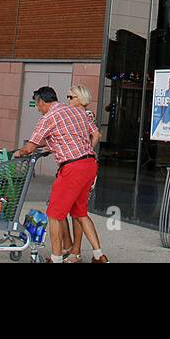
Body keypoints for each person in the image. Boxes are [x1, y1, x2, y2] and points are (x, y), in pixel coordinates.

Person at [13, 86, 108, 263]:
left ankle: (56, 258)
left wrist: (20, 152)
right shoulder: (76, 112)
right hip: (89, 164)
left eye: (37, 105)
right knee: (80, 213)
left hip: (72, 168)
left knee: (54, 214)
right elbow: (79, 136)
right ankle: (99, 256)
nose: (38, 109)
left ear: (42, 101)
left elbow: (30, 146)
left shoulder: (48, 118)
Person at [63, 84, 104, 263]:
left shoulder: (85, 114)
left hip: (81, 167)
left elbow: (97, 135)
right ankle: (73, 248)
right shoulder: (79, 115)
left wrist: (86, 150)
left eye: (71, 97)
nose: (68, 100)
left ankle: (74, 250)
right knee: (75, 209)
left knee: (77, 210)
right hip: (83, 165)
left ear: (80, 98)